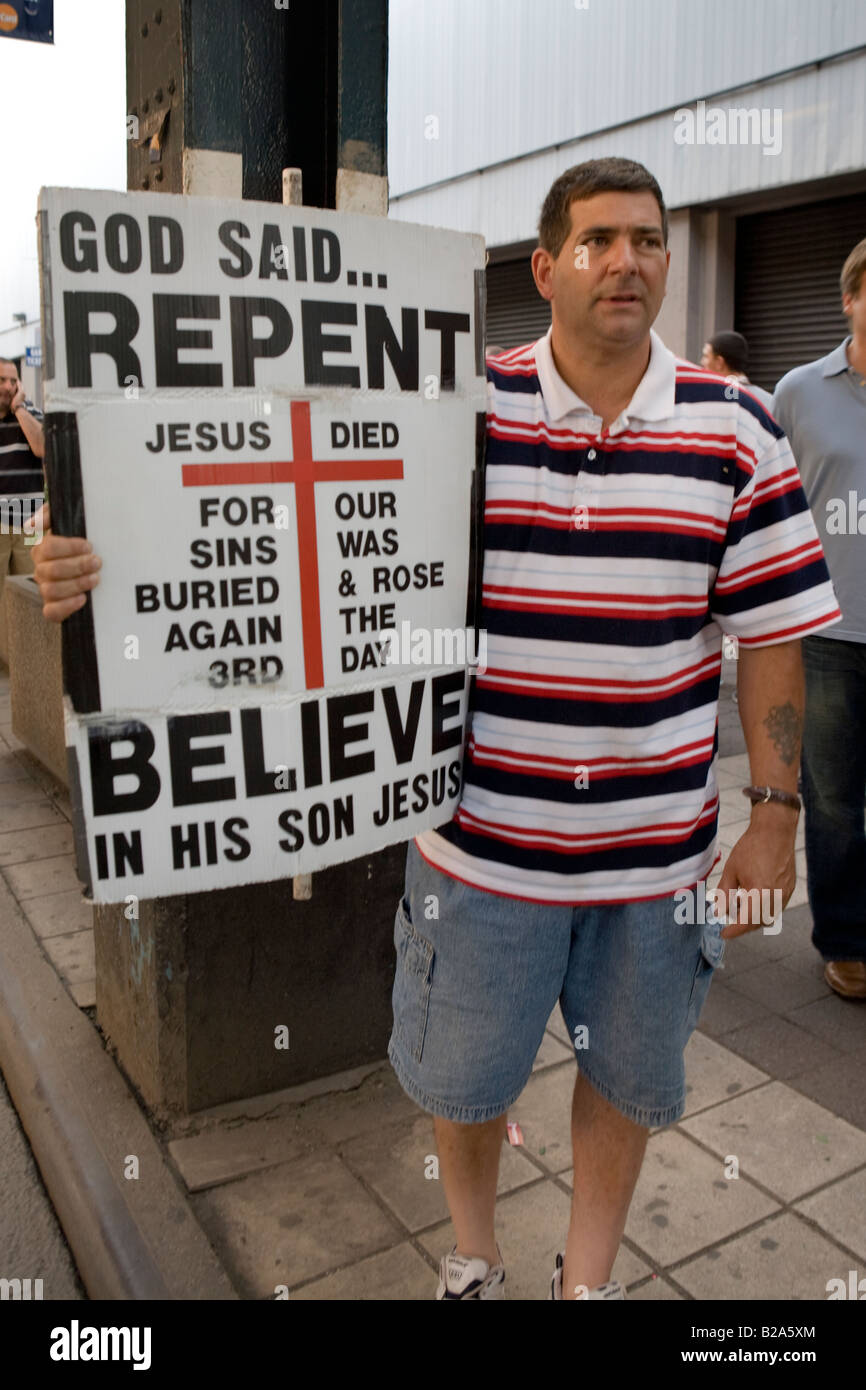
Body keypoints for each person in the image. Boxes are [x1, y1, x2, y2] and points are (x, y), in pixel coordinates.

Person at [32, 157, 841, 1302]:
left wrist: (772, 814)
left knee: (627, 1085)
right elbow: (263, 505)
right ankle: (475, 1257)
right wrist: (97, 559)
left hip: (654, 858)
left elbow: (771, 633)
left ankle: (588, 1282)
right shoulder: (456, 413)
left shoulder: (739, 430)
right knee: (462, 1084)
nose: (626, 261)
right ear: (542, 266)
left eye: (646, 240)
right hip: (477, 850)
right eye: (597, 239)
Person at [771, 238, 866, 1001]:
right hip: (831, 632)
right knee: (833, 796)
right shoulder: (799, 392)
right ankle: (843, 938)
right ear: (849, 299)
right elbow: (768, 502)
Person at [0, 357, 45, 603]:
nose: (8, 387)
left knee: (32, 595)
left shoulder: (31, 413)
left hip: (30, 522)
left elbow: (42, 447)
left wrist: (19, 409)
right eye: (1, 380)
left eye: (13, 380)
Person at [701, 330, 774, 409]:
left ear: (719, 362)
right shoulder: (769, 401)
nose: (702, 362)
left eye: (706, 356)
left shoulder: (713, 403)